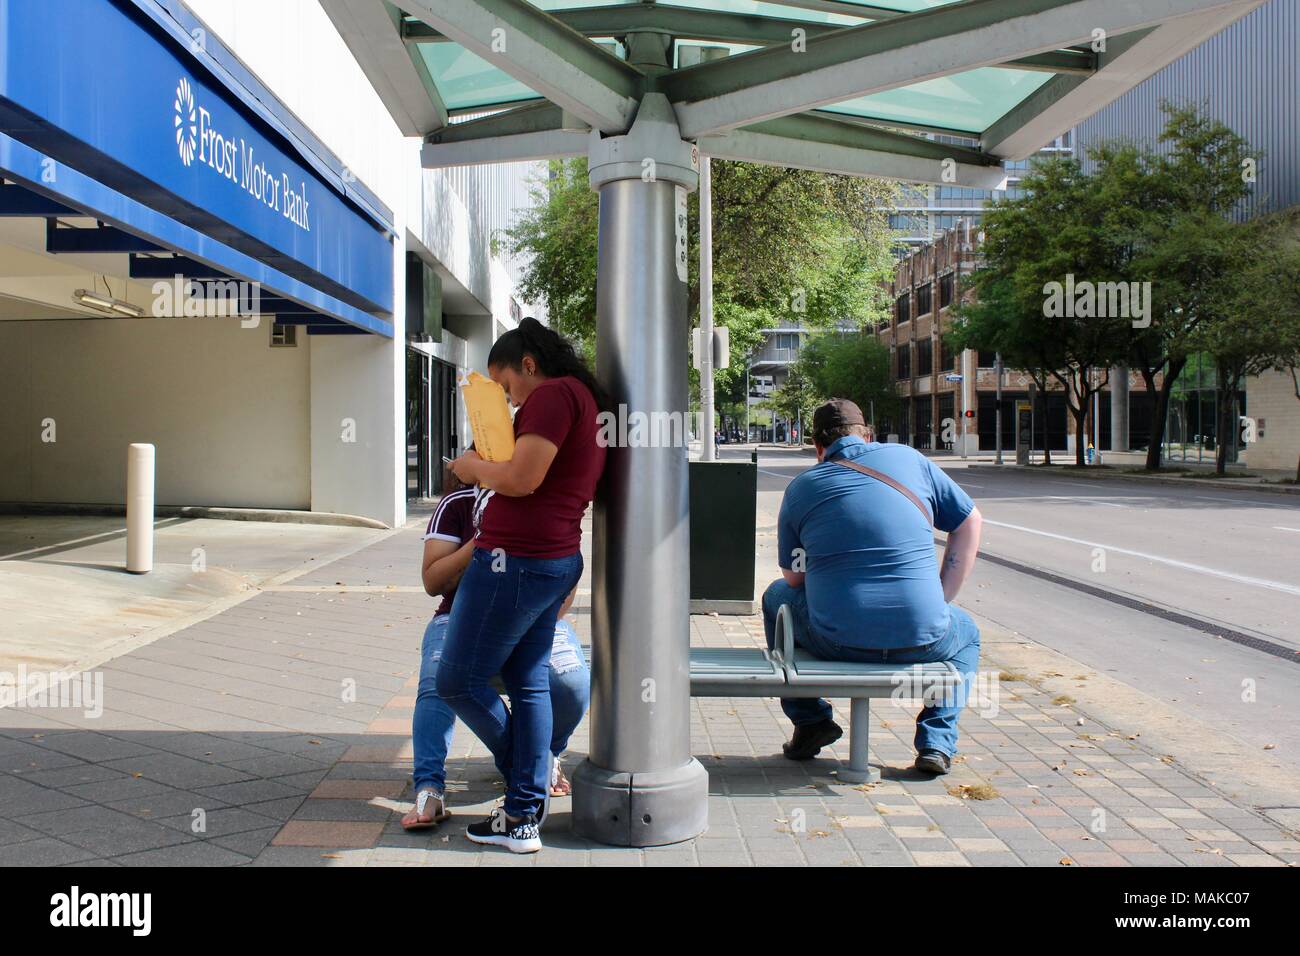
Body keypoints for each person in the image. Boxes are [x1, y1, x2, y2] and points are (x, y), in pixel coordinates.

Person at [438, 317, 607, 853]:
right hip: (551, 558)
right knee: (529, 681)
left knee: (458, 681)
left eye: (508, 388)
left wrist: (471, 467)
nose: (509, 402)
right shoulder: (581, 396)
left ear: (528, 365)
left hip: (514, 562)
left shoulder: (554, 396)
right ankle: (521, 818)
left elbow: (522, 478)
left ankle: (525, 785)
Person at [763, 398, 983, 776]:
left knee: (775, 598)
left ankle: (811, 718)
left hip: (836, 639)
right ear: (867, 435)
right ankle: (936, 742)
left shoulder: (802, 487)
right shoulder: (910, 460)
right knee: (969, 635)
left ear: (818, 447)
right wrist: (942, 597)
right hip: (924, 636)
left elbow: (794, 579)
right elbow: (969, 521)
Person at [400, 460, 591, 832]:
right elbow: (433, 581)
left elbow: (563, 597)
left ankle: (544, 756)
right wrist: (482, 541)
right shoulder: (458, 504)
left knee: (571, 680)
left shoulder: (546, 503)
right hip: (456, 617)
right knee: (439, 678)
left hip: (537, 619)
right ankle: (430, 787)